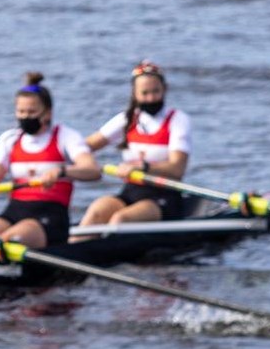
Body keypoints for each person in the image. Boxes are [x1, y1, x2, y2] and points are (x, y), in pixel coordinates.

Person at [0, 72, 100, 251]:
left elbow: (92, 170)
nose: (26, 117)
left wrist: (63, 171)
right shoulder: (9, 139)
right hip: (14, 210)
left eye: (31, 112)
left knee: (5, 244)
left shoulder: (66, 136)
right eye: (21, 112)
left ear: (47, 113)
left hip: (50, 215)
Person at [76, 60, 193, 228]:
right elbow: (84, 148)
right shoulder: (127, 119)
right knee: (96, 211)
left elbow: (177, 169)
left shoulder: (177, 120)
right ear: (135, 94)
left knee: (120, 219)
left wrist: (143, 167)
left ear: (165, 89)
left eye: (156, 92)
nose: (151, 98)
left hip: (164, 196)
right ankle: (76, 248)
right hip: (131, 192)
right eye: (145, 93)